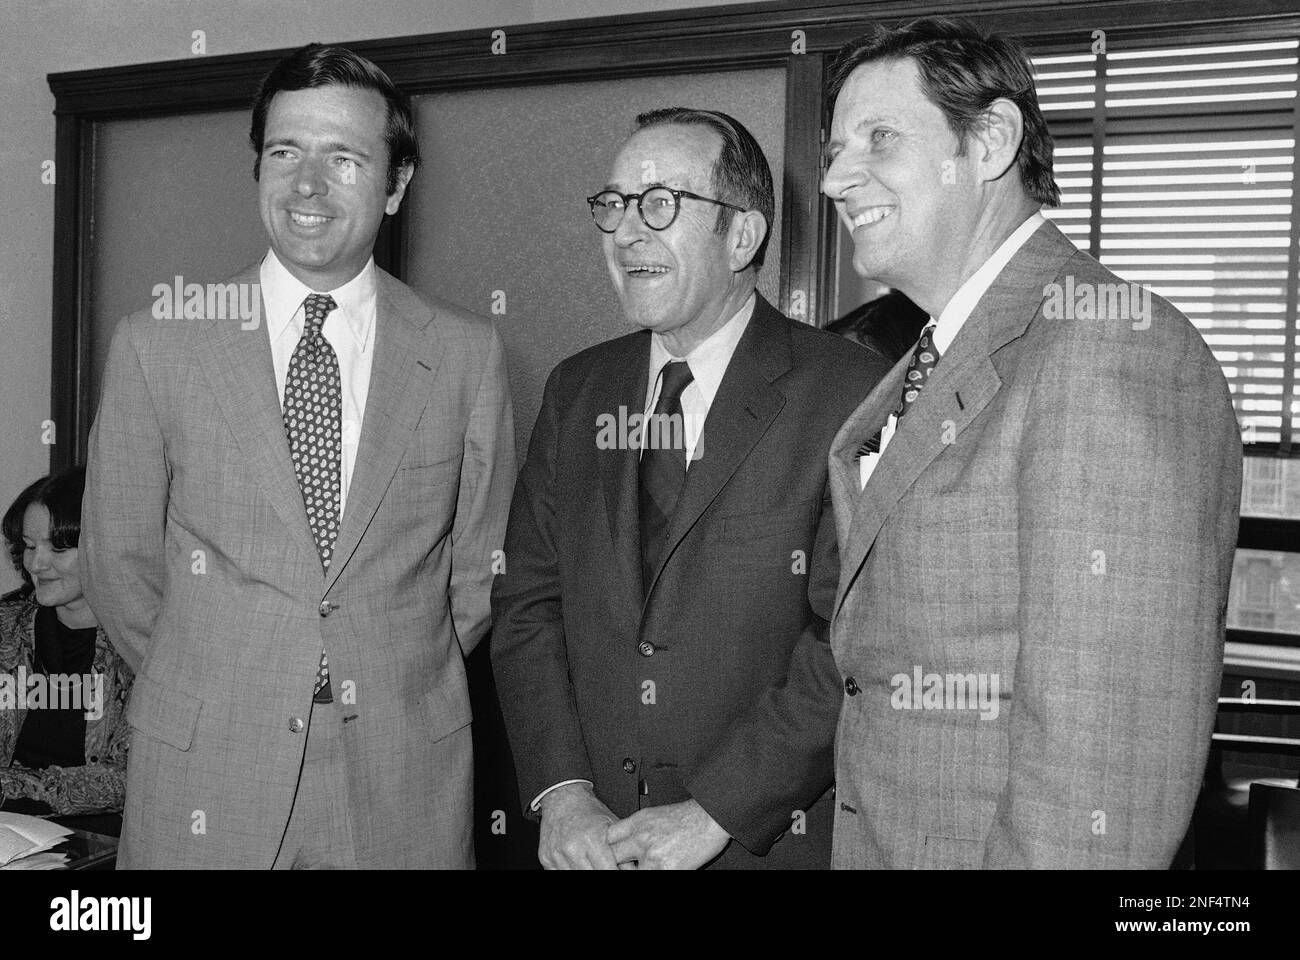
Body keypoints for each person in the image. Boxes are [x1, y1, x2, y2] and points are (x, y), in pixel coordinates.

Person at [817, 17, 1241, 867]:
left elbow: (1104, 789)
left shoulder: (1110, 347)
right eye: (833, 150)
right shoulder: (932, 355)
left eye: (880, 138)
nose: (836, 179)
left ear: (991, 141)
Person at [81, 44, 515, 869]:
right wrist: (230, 677)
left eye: (343, 158)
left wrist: (386, 668)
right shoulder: (157, 345)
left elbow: (480, 569)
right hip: (207, 766)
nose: (306, 185)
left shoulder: (465, 354)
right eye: (285, 152)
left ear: (395, 183)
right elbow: (119, 565)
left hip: (401, 772)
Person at [490, 107, 890, 869]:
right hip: (591, 840)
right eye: (614, 206)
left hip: (764, 839)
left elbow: (853, 639)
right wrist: (563, 789)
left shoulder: (851, 393)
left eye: (661, 205)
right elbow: (526, 603)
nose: (628, 233)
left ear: (743, 235)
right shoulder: (578, 389)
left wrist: (717, 811)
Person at [0, 468, 133, 820]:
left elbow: (127, 779)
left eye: (58, 547)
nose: (36, 564)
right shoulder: (6, 627)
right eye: (29, 546)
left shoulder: (142, 644)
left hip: (99, 842)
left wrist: (16, 786)